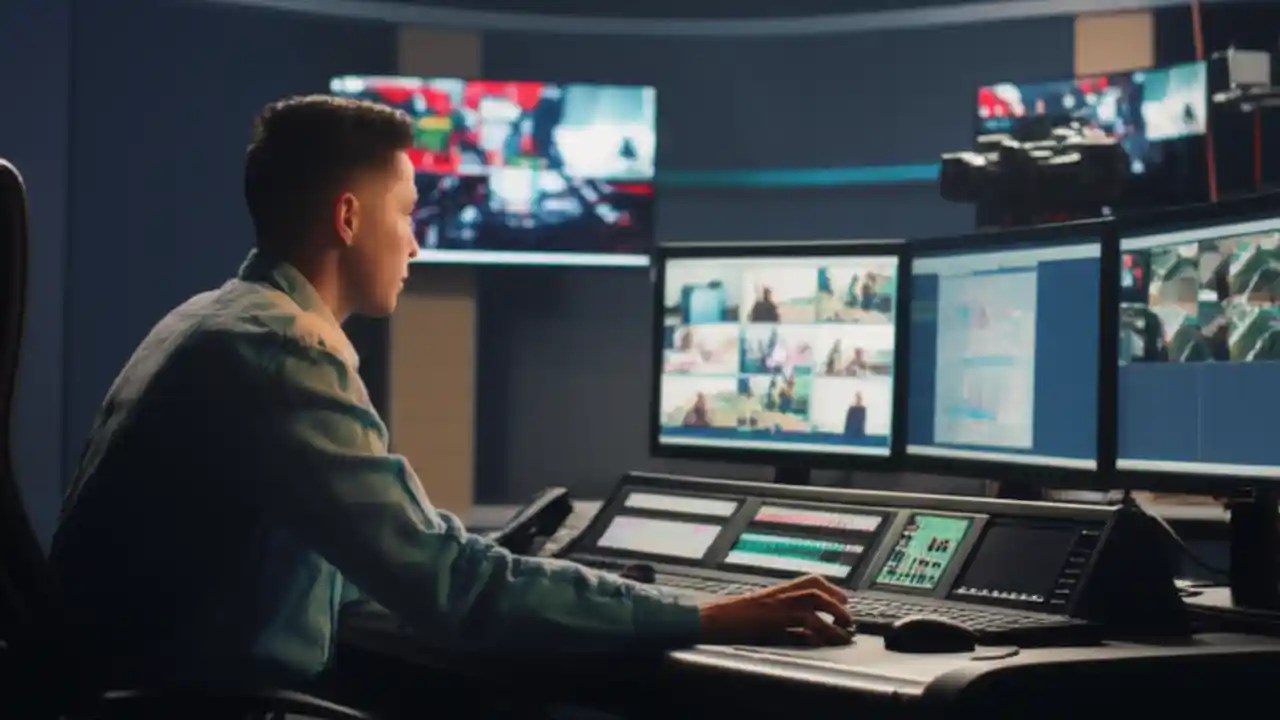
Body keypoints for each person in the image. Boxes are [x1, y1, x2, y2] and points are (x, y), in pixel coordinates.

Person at [49, 95, 853, 693]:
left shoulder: (210, 320)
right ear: (349, 216)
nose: (419, 242)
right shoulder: (281, 351)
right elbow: (451, 587)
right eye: (407, 213)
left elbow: (366, 572)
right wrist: (701, 614)